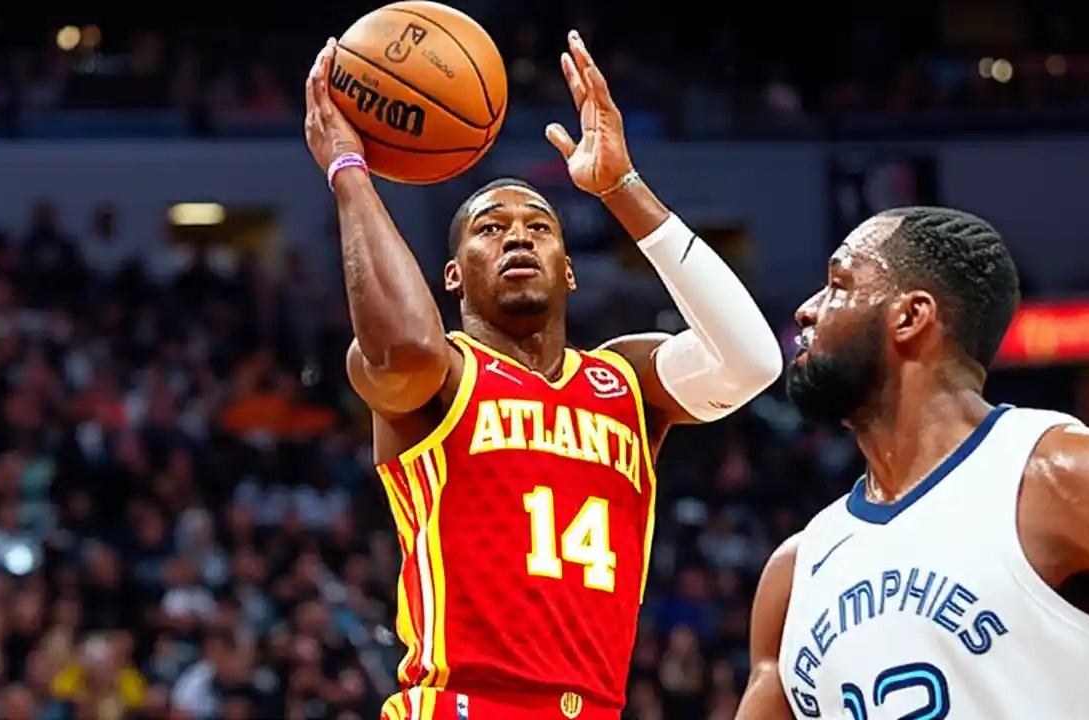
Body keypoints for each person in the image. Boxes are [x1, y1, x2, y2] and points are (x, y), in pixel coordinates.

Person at [304, 30, 783, 720]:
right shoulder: (441, 374)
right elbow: (406, 345)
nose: (519, 235)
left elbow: (753, 362)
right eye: (490, 229)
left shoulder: (626, 381)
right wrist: (349, 168)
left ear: (569, 269)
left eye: (539, 226)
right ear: (453, 275)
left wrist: (622, 189)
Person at [734, 208, 1089, 719]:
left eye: (838, 284)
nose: (807, 310)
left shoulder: (1070, 479)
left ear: (911, 316)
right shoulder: (796, 572)